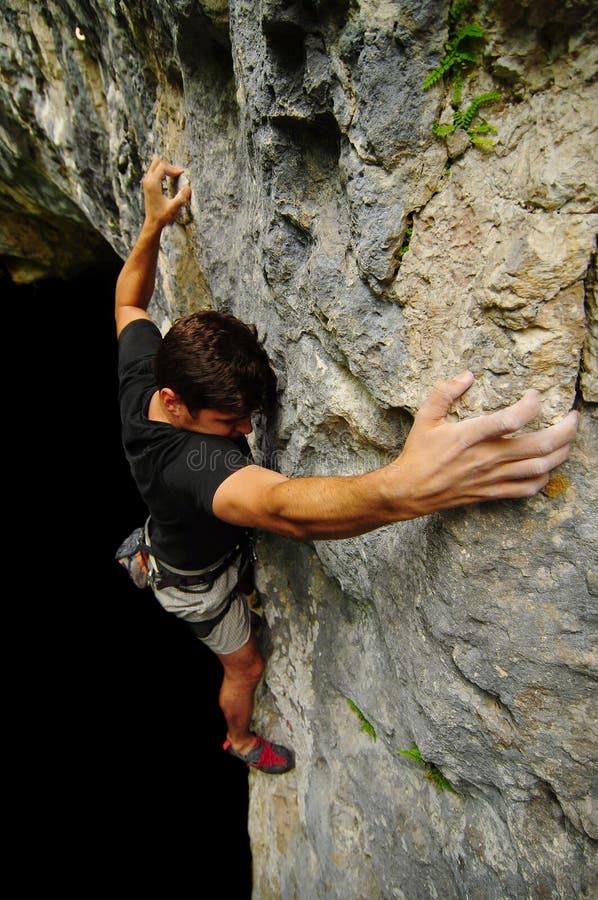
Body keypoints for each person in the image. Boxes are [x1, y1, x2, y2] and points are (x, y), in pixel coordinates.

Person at [115, 157, 579, 775]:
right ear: (176, 403)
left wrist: (152, 224)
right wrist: (407, 488)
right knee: (245, 665)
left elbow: (129, 301)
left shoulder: (144, 372)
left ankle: (149, 550)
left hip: (178, 528)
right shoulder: (193, 467)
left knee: (189, 532)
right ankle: (239, 742)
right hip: (197, 581)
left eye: (248, 416)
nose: (246, 431)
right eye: (230, 422)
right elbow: (285, 509)